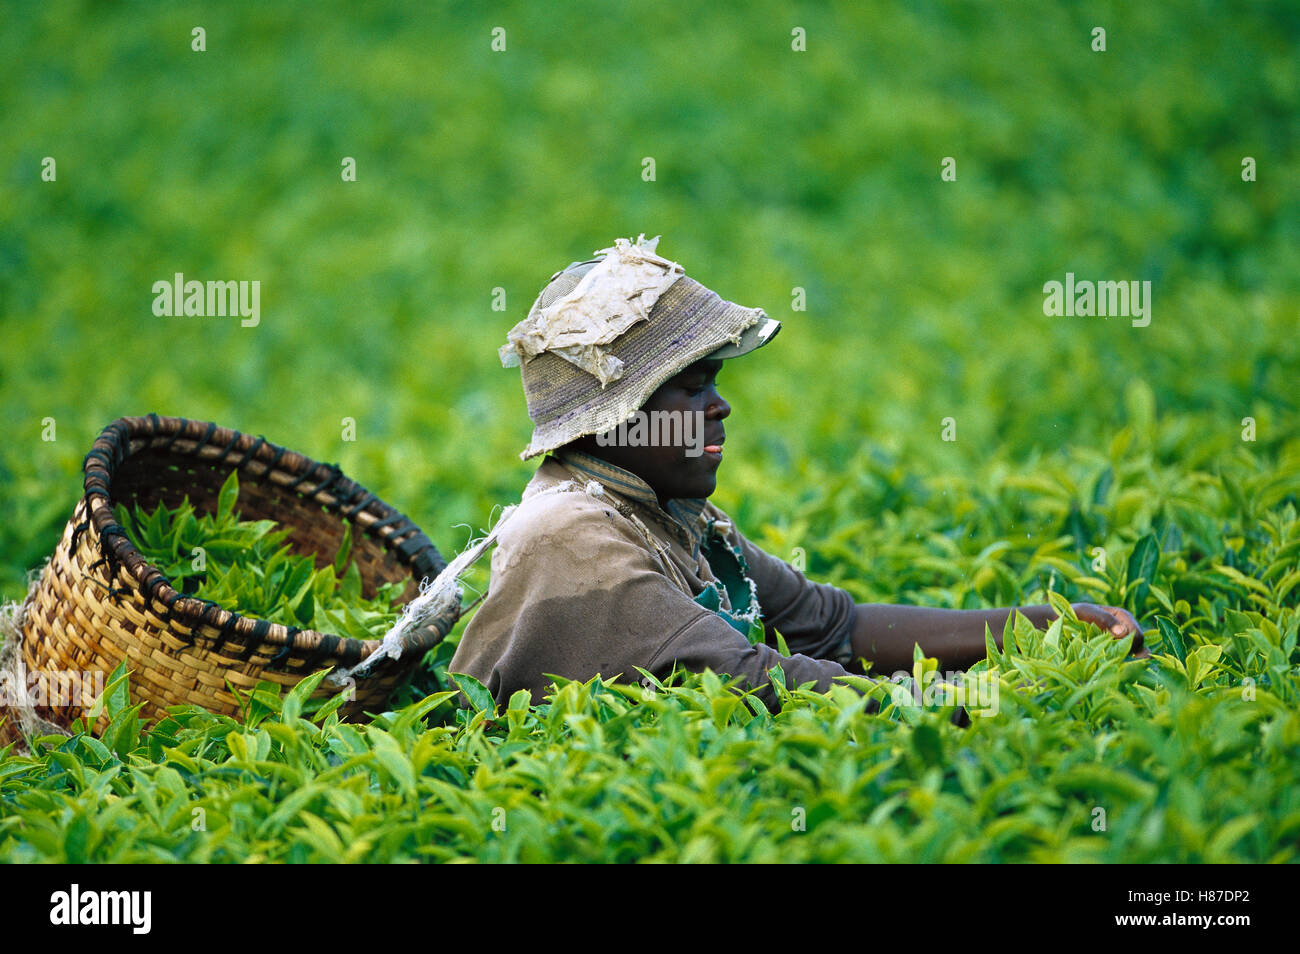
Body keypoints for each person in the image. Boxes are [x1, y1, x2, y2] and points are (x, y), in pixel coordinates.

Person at [448, 235, 1145, 712]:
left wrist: (1047, 628)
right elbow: (752, 679)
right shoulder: (572, 531)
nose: (719, 406)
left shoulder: (661, 512)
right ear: (615, 417)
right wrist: (990, 701)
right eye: (690, 388)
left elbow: (829, 627)